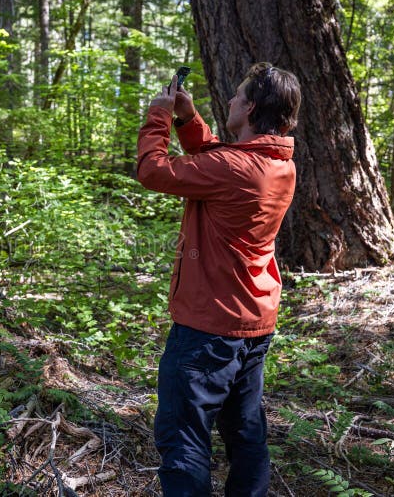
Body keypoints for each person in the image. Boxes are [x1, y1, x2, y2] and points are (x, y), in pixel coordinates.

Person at [136, 63, 301, 496]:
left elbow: (153, 171)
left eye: (237, 95)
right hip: (252, 322)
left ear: (250, 108)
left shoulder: (235, 168)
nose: (229, 100)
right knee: (245, 434)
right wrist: (188, 120)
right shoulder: (278, 164)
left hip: (207, 330)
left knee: (184, 439)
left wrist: (159, 115)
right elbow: (220, 161)